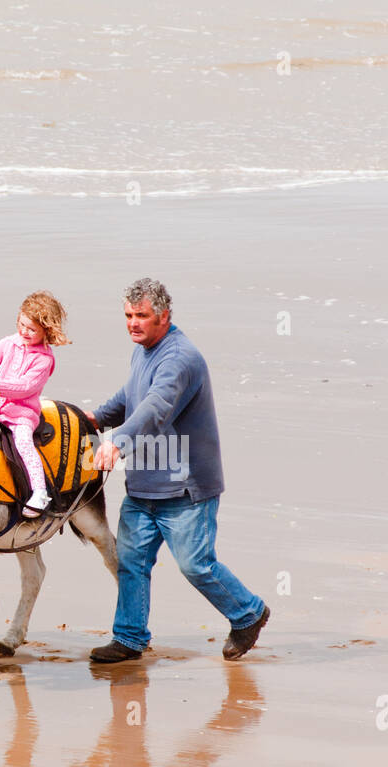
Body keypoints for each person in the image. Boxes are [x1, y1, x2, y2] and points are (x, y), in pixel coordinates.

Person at [85, 278, 269, 663]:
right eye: (128, 316)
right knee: (132, 562)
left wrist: (117, 441)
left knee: (196, 565)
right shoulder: (143, 350)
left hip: (185, 488)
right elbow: (131, 395)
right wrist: (95, 417)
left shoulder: (180, 358)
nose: (133, 323)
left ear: (164, 316)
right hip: (145, 483)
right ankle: (130, 637)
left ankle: (248, 613)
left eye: (142, 316)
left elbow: (155, 406)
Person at [0, 291, 70, 517]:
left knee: (23, 443)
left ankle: (39, 492)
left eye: (32, 329)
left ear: (46, 331)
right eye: (22, 325)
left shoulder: (44, 359)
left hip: (20, 413)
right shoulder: (7, 343)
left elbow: (26, 387)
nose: (24, 332)